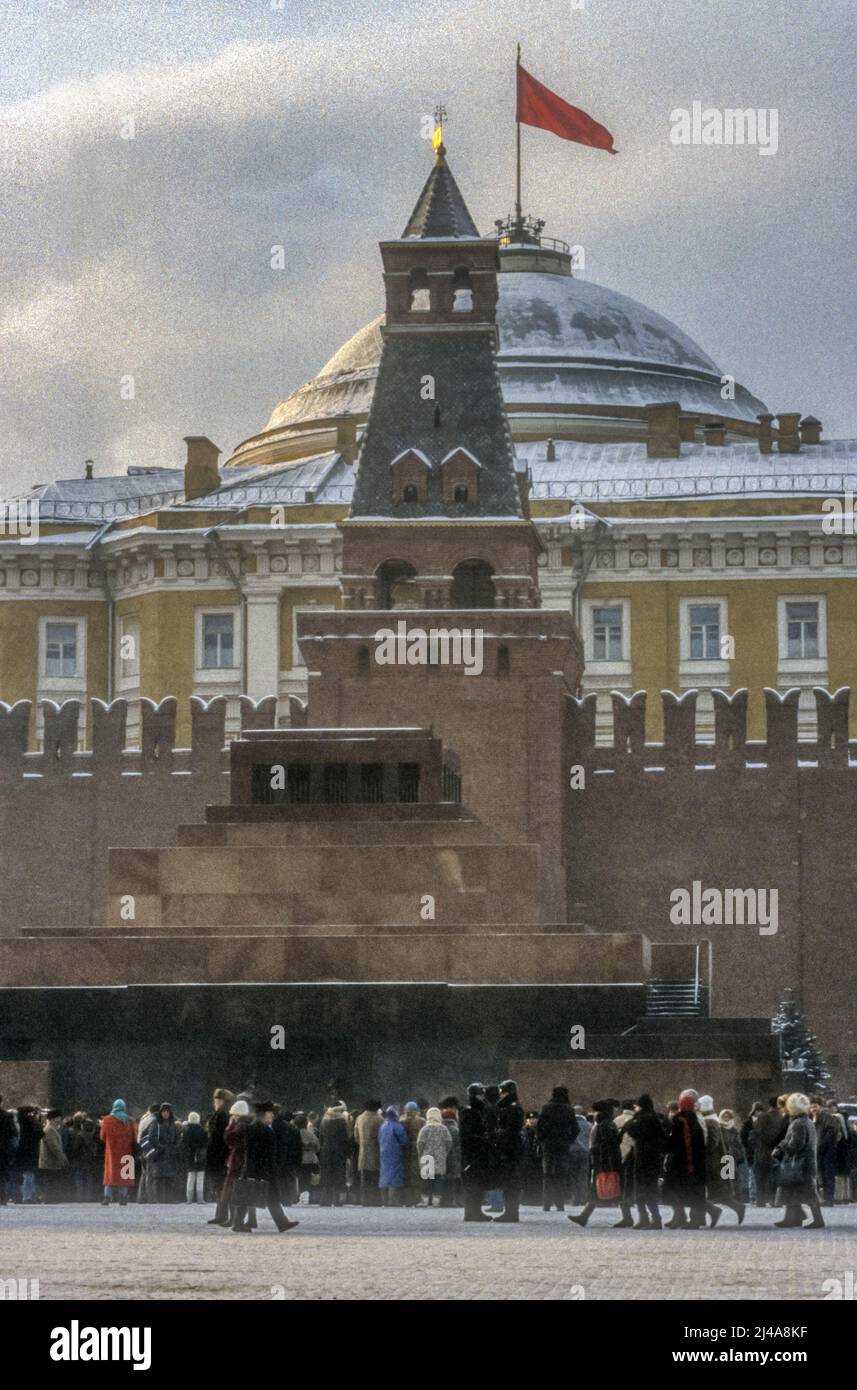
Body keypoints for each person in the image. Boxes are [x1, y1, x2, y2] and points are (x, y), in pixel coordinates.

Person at [230, 1102, 299, 1235]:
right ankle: (280, 1222)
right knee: (251, 1195)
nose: (272, 1115)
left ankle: (281, 1222)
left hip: (260, 1168)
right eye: (271, 1112)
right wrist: (257, 1168)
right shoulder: (257, 1128)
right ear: (265, 1113)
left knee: (261, 1196)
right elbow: (254, 1151)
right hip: (260, 1169)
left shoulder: (258, 1127)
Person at [568, 1100, 624, 1228]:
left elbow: (606, 1145)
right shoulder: (608, 1124)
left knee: (601, 1188)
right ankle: (584, 1216)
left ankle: (584, 1216)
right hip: (609, 1161)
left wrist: (594, 1150)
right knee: (614, 1189)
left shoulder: (604, 1125)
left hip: (604, 1162)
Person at [772, 1092, 823, 1228]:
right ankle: (792, 1219)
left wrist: (782, 1146)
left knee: (806, 1192)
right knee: (792, 1191)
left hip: (799, 1164)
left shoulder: (798, 1123)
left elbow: (796, 1145)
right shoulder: (806, 1121)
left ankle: (817, 1220)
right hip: (806, 1162)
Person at [697, 1095, 745, 1226]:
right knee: (717, 1192)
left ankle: (707, 1214)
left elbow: (712, 1143)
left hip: (712, 1162)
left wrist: (702, 1151)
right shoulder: (711, 1120)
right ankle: (737, 1208)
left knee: (712, 1192)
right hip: (715, 1162)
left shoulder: (710, 1121)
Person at [663, 1090, 707, 1229]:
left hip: (680, 1162)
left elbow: (673, 1142)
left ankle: (680, 1217)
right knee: (695, 1191)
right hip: (697, 1161)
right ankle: (695, 1218)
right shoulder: (697, 1120)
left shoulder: (678, 1120)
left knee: (675, 1190)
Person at [622, 1094, 665, 1228]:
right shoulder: (653, 1118)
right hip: (652, 1158)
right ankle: (652, 1218)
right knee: (648, 1188)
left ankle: (648, 1218)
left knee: (642, 1188)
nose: (635, 1108)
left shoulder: (643, 1118)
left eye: (636, 1106)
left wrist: (632, 1122)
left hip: (643, 1158)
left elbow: (632, 1130)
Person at [536, 1085, 579, 1212]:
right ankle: (560, 1204)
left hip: (549, 1145)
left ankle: (547, 1204)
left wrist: (542, 1140)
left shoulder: (546, 1108)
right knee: (561, 1175)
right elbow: (576, 1129)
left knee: (548, 1175)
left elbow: (539, 1127)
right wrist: (569, 1140)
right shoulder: (569, 1109)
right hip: (563, 1145)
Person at [459, 1083, 494, 1222]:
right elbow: (468, 1135)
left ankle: (475, 1211)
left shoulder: (475, 1111)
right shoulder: (470, 1112)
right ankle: (472, 1213)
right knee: (474, 1184)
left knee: (477, 1184)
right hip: (473, 1154)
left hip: (476, 1152)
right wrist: (484, 1140)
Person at [98, 1099, 137, 1206]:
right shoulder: (130, 1121)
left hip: (111, 1153)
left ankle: (107, 1197)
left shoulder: (106, 1120)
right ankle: (123, 1197)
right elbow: (134, 1137)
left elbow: (102, 1137)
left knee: (110, 1175)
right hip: (126, 1152)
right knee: (124, 1175)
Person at [141, 1102, 180, 1202]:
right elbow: (152, 1137)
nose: (166, 1113)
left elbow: (177, 1137)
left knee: (169, 1178)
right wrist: (160, 1147)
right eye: (164, 1111)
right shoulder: (156, 1123)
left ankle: (168, 1198)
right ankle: (158, 1198)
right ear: (161, 1112)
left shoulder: (173, 1124)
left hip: (170, 1153)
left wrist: (175, 1147)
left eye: (168, 1111)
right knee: (158, 1178)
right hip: (160, 1154)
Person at [753, 1096, 787, 1207]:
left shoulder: (762, 1117)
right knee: (775, 1176)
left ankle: (760, 1200)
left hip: (762, 1150)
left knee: (761, 1176)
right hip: (777, 1151)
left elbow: (758, 1133)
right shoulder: (782, 1118)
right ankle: (774, 1200)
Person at [416, 1107, 453, 1206]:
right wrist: (444, 1152)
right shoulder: (443, 1129)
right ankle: (436, 1200)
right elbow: (449, 1142)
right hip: (440, 1157)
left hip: (426, 1156)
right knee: (438, 1178)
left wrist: (421, 1154)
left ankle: (425, 1200)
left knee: (426, 1179)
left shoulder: (425, 1129)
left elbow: (420, 1143)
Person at [204, 1088, 234, 1207]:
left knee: (220, 1184)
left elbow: (218, 1136)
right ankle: (221, 1212)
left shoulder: (221, 1115)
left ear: (221, 1101)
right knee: (220, 1185)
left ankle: (222, 1212)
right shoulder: (223, 1114)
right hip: (219, 1153)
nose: (214, 1103)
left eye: (215, 1100)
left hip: (218, 1154)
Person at [319, 1102, 350, 1207]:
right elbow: (345, 1138)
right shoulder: (341, 1121)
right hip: (339, 1151)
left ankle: (325, 1199)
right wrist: (347, 1152)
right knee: (339, 1174)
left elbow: (321, 1137)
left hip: (326, 1150)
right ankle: (337, 1199)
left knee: (327, 1174)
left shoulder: (324, 1120)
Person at [810, 1096, 840, 1205]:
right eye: (811, 1107)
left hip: (827, 1150)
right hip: (819, 1150)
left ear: (820, 1106)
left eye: (815, 1107)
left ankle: (829, 1199)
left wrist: (823, 1144)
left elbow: (831, 1131)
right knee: (822, 1175)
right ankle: (824, 1198)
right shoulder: (814, 1117)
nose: (813, 1109)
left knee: (828, 1174)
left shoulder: (825, 1116)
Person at [353, 1101, 383, 1206]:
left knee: (365, 1177)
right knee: (375, 1176)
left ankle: (365, 1200)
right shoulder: (379, 1119)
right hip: (376, 1152)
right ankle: (375, 1200)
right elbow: (382, 1136)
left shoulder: (359, 1118)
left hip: (363, 1152)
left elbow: (356, 1136)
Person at [272, 1108, 303, 1207]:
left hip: (279, 1156)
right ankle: (288, 1199)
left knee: (279, 1178)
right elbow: (299, 1146)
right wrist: (298, 1159)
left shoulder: (275, 1126)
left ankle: (279, 1198)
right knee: (289, 1179)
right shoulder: (294, 1128)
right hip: (291, 1157)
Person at [13, 1106, 44, 1203]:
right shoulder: (30, 1122)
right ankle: (27, 1196)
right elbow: (40, 1133)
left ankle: (21, 1195)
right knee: (29, 1174)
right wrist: (36, 1119)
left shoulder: (18, 1122)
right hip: (30, 1151)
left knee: (22, 1175)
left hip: (21, 1152)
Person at [378, 1106, 408, 1205]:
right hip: (395, 1153)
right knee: (394, 1176)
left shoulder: (383, 1126)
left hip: (383, 1153)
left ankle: (384, 1200)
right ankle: (393, 1201)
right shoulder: (397, 1126)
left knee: (384, 1175)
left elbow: (379, 1139)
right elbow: (404, 1141)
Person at [719, 1109, 750, 1203]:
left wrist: (740, 1154)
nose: (726, 1118)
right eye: (724, 1117)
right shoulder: (719, 1129)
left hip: (733, 1156)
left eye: (728, 1117)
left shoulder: (734, 1130)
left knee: (733, 1177)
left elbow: (739, 1144)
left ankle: (734, 1196)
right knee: (724, 1177)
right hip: (722, 1156)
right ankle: (724, 1196)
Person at [38, 1109, 69, 1202]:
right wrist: (63, 1158)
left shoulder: (51, 1129)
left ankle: (51, 1197)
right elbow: (54, 1147)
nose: (60, 1119)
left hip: (50, 1161)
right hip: (49, 1161)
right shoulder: (49, 1130)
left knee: (51, 1180)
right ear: (53, 1119)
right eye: (58, 1117)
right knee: (50, 1180)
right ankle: (49, 1198)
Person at [400, 1101, 425, 1207]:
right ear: (416, 1111)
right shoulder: (422, 1121)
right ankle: (417, 1198)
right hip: (418, 1150)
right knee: (416, 1175)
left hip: (404, 1150)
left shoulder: (401, 1121)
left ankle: (406, 1200)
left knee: (406, 1175)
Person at [180, 1111, 208, 1203]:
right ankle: (200, 1199)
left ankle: (189, 1199)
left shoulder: (186, 1131)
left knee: (190, 1178)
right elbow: (206, 1144)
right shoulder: (203, 1130)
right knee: (200, 1178)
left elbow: (184, 1145)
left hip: (190, 1157)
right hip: (201, 1157)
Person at [293, 1111, 320, 1200]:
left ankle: (299, 1195)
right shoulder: (311, 1134)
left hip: (298, 1160)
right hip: (310, 1159)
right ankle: (310, 1196)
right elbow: (318, 1147)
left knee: (299, 1178)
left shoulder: (294, 1134)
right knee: (309, 1179)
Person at [440, 1101, 462, 1207]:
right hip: (454, 1158)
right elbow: (459, 1145)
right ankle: (452, 1201)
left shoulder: (440, 1129)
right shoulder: (455, 1129)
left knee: (444, 1179)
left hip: (442, 1157)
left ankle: (443, 1200)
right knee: (453, 1180)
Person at [570, 1106, 592, 1205]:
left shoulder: (570, 1125)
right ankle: (583, 1198)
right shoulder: (589, 1125)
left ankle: (575, 1198)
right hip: (585, 1152)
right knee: (583, 1175)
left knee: (573, 1175)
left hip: (572, 1151)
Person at [0, 1097, 19, 1205]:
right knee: (2, 1175)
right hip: (3, 1150)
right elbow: (14, 1133)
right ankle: (2, 1197)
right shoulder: (7, 1116)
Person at [520, 1111, 542, 1206]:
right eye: (530, 1119)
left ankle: (537, 1199)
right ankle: (527, 1198)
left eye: (534, 1119)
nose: (532, 1120)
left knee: (537, 1179)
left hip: (537, 1157)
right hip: (527, 1157)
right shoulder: (524, 1130)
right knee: (527, 1179)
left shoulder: (540, 1130)